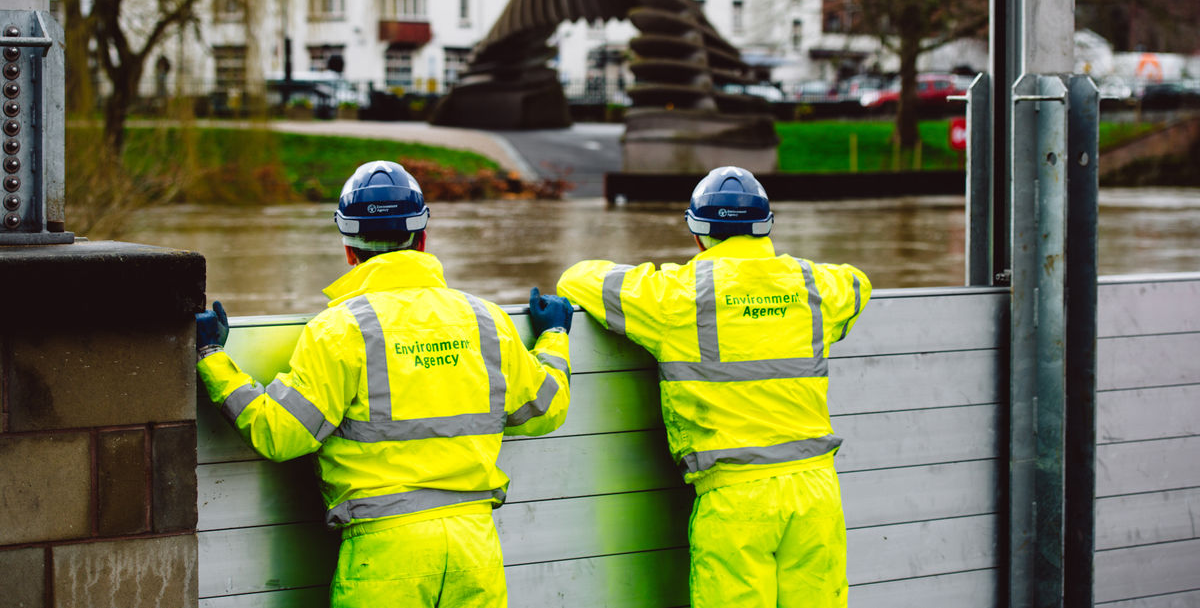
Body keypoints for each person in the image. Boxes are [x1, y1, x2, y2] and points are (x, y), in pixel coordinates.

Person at [195, 160, 573, 607]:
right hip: (476, 547)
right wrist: (554, 336)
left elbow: (280, 434)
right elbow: (546, 409)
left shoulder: (338, 330)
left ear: (349, 248)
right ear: (423, 238)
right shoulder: (485, 320)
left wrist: (211, 356)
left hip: (385, 553)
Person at [556, 165, 870, 608]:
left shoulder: (675, 295)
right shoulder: (813, 285)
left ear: (697, 233)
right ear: (765, 228)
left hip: (735, 498)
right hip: (815, 490)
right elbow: (857, 283)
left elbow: (576, 278)